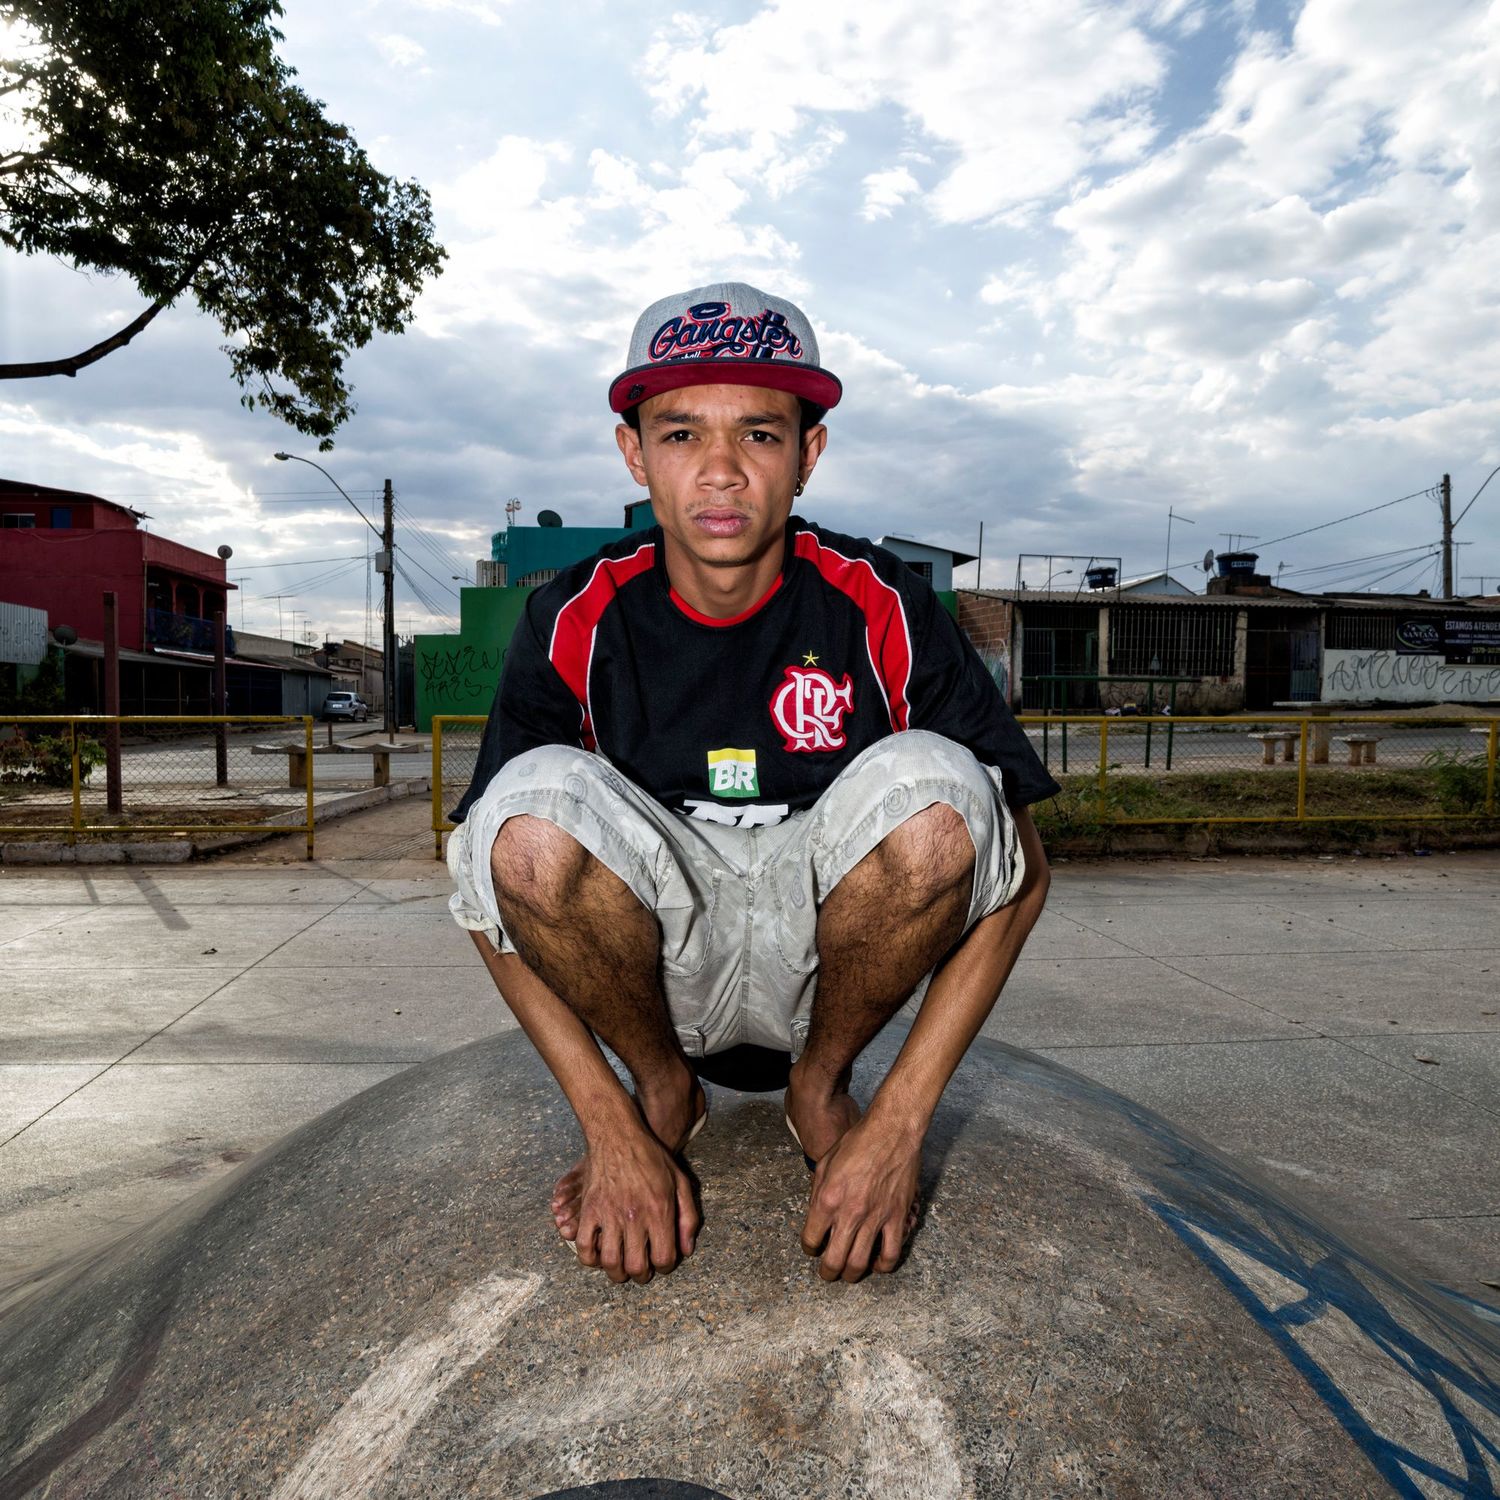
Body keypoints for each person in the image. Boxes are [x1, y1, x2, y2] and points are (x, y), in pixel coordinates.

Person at [446, 281, 1059, 1287]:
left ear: (808, 455)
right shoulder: (573, 616)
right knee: (518, 818)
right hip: (661, 975)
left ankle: (819, 1092)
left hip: (825, 973)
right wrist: (604, 1122)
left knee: (947, 796)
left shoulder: (884, 607)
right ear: (634, 453)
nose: (721, 473)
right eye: (682, 433)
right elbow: (479, 888)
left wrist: (900, 1124)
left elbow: (1020, 872)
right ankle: (662, 1094)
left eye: (761, 435)